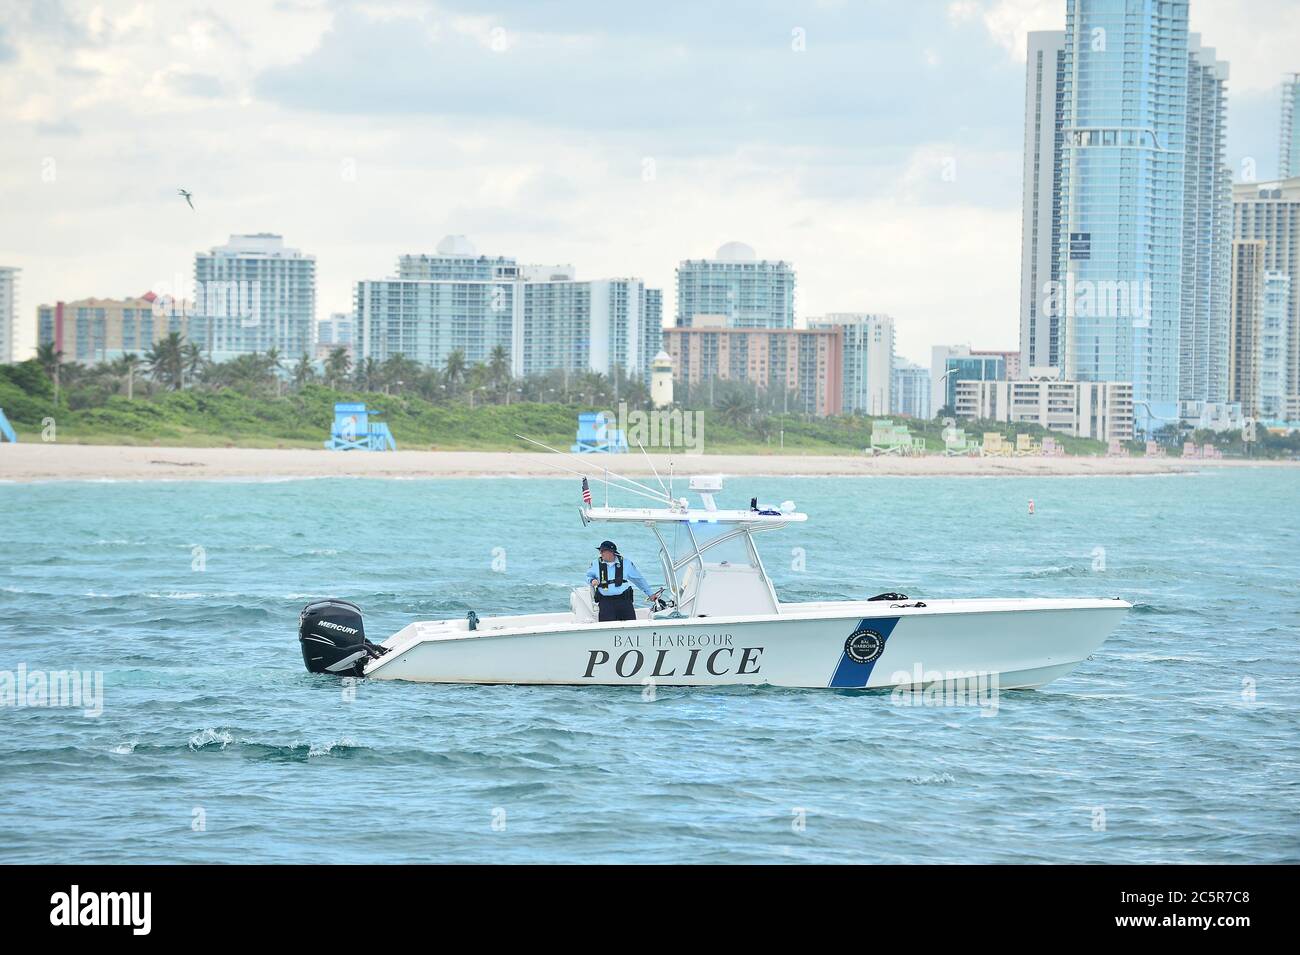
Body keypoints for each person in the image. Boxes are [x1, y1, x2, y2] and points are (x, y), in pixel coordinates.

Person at [586, 540, 654, 622]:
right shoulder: (595, 563)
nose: (601, 553)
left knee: (630, 627)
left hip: (624, 602)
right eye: (600, 551)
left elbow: (639, 580)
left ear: (611, 552)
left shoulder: (626, 563)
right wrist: (592, 580)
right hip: (605, 603)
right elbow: (588, 576)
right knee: (607, 629)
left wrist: (650, 594)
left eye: (603, 551)